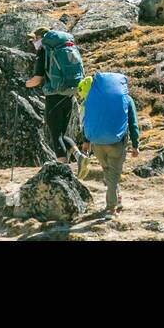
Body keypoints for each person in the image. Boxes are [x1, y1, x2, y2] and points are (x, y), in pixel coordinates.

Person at [79, 71, 140, 214]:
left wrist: (86, 141)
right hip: (116, 143)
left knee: (108, 172)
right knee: (113, 175)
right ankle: (111, 207)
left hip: (97, 143)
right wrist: (136, 145)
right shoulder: (127, 99)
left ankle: (117, 199)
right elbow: (133, 124)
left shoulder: (93, 100)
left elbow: (87, 121)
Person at [25, 27, 83, 164]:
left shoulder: (44, 51)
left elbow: (37, 79)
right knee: (62, 134)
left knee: (56, 135)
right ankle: (80, 156)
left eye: (34, 38)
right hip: (69, 94)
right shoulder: (65, 48)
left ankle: (62, 168)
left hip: (54, 95)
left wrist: (24, 84)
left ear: (41, 38)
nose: (32, 41)